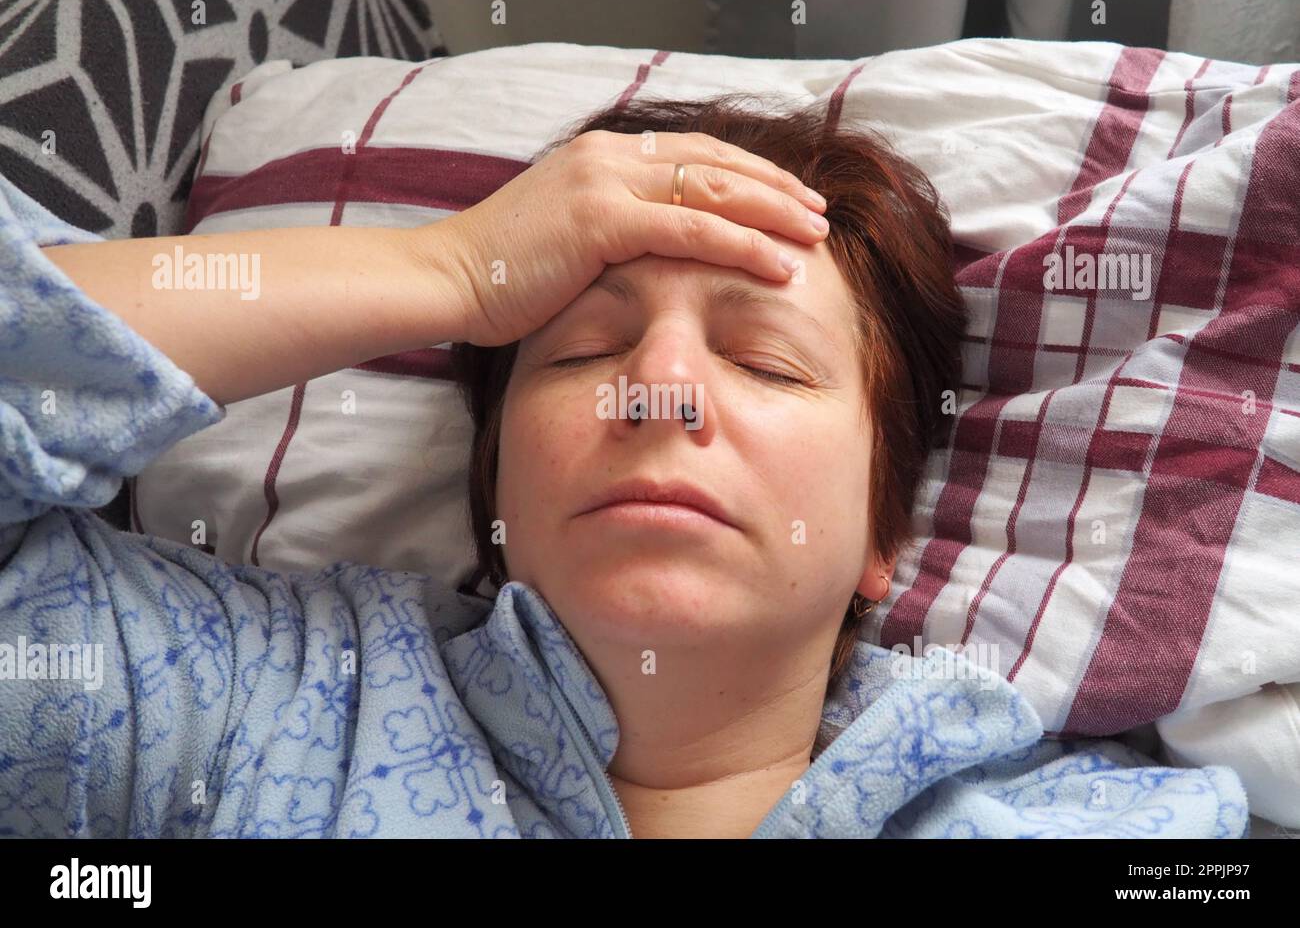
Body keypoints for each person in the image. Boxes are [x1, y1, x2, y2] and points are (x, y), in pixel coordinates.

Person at [0, 93, 1248, 838]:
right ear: (494, 493)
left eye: (767, 364)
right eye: (584, 350)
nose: (658, 388)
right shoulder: (252, 698)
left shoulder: (1111, 830)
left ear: (881, 534)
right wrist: (451, 270)